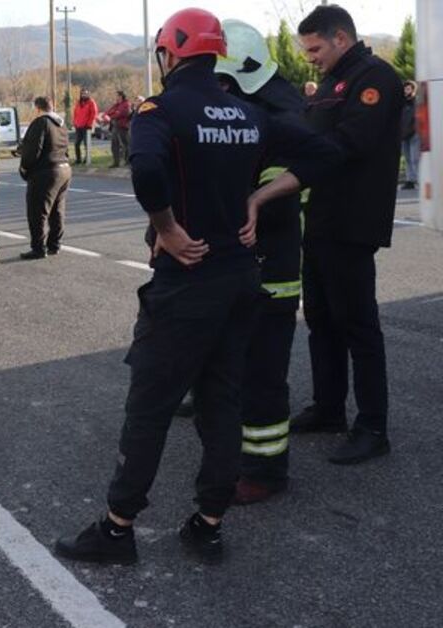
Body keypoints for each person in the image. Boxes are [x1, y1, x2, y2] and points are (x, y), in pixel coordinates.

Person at [54, 8, 337, 565]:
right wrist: (258, 198)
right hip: (239, 278)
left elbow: (147, 170)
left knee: (151, 406)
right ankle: (208, 523)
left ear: (170, 54)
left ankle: (117, 529)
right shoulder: (246, 113)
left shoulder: (162, 109)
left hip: (187, 279)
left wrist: (167, 228)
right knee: (222, 400)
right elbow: (324, 154)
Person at [287, 4, 402, 464]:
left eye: (315, 48)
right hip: (318, 222)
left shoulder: (375, 78)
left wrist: (291, 172)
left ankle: (373, 427)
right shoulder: (331, 83)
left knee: (358, 325)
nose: (310, 57)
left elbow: (348, 143)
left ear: (340, 38)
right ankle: (329, 407)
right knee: (320, 320)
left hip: (352, 223)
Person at [214, 18, 311, 504]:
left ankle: (266, 472)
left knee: (262, 374)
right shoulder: (271, 102)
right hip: (256, 262)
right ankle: (246, 455)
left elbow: (274, 196)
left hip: (270, 269)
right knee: (243, 367)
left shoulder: (278, 117)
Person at [17, 96, 71, 260]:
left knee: (37, 212)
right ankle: (54, 244)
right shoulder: (61, 124)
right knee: (57, 210)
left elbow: (33, 150)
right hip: (64, 169)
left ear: (37, 108)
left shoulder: (41, 122)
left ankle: (38, 248)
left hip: (46, 171)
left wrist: (25, 167)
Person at [106, 91, 133, 167]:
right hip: (115, 126)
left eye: (117, 96)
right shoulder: (116, 105)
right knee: (114, 144)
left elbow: (123, 113)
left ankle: (128, 161)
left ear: (121, 96)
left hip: (123, 127)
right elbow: (109, 112)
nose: (116, 97)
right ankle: (116, 162)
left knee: (126, 144)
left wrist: (112, 116)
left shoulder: (126, 104)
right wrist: (112, 114)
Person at [72, 88, 98, 165]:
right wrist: (75, 122)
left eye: (86, 93)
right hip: (78, 126)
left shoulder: (91, 102)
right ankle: (78, 159)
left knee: (86, 144)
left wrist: (90, 124)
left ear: (88, 94)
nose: (84, 95)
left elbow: (94, 114)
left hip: (86, 126)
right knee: (76, 144)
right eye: (83, 93)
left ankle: (87, 159)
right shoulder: (78, 102)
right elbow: (75, 113)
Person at [401, 80, 419, 190]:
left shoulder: (416, 102)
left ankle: (419, 180)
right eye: (405, 89)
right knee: (407, 159)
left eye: (408, 88)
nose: (406, 91)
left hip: (414, 134)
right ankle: (410, 180)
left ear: (413, 90)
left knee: (414, 158)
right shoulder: (402, 103)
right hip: (403, 135)